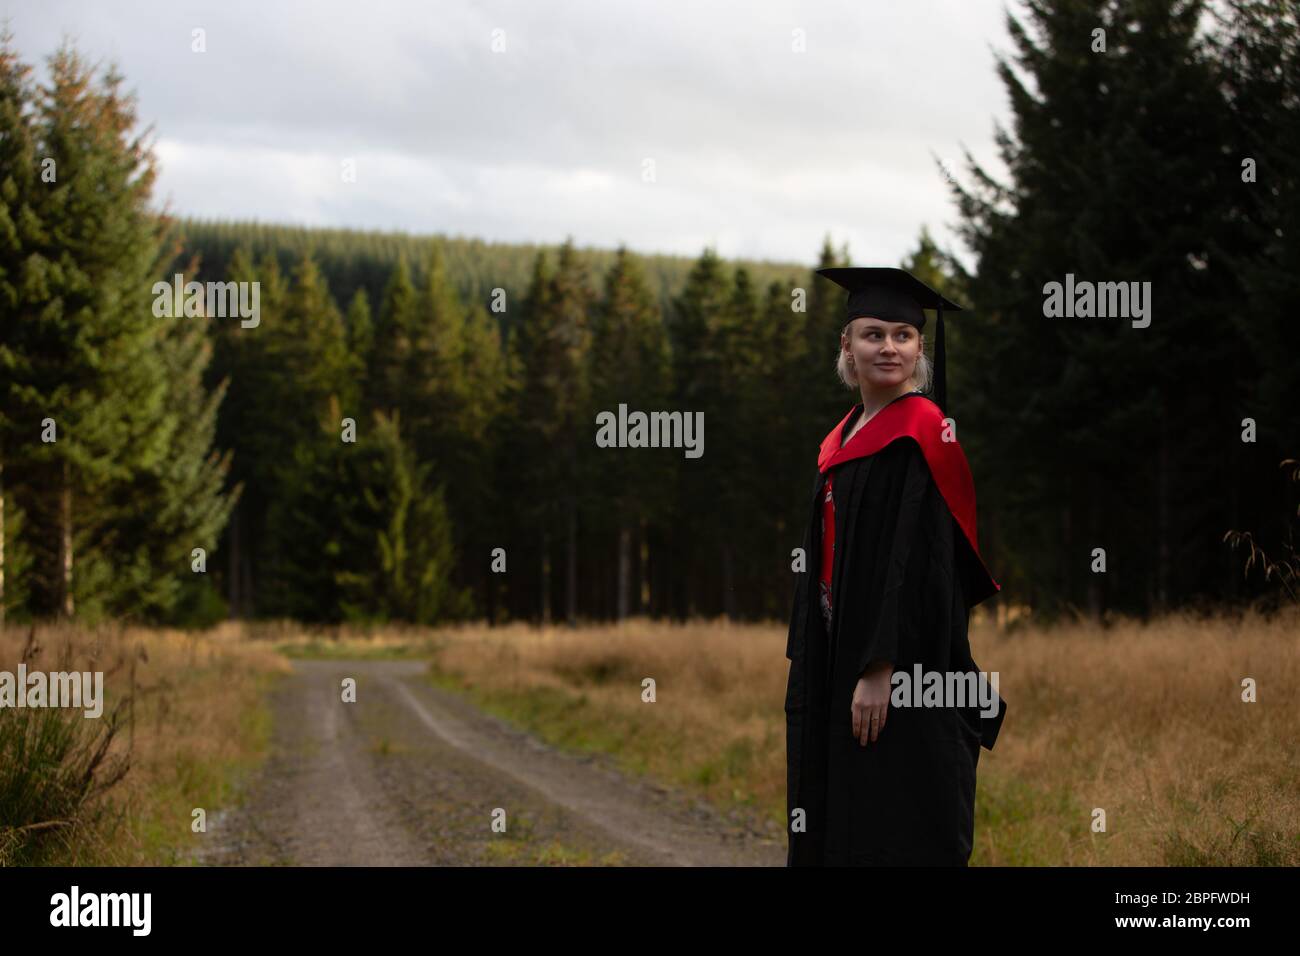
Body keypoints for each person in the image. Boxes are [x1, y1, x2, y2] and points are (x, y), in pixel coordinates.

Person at [785, 266, 1006, 866]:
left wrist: (881, 664)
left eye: (903, 336)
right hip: (836, 647)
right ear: (847, 348)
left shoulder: (924, 432)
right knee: (839, 802)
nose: (889, 347)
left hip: (897, 660)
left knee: (895, 810)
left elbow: (922, 562)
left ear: (920, 350)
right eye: (873, 333)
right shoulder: (843, 436)